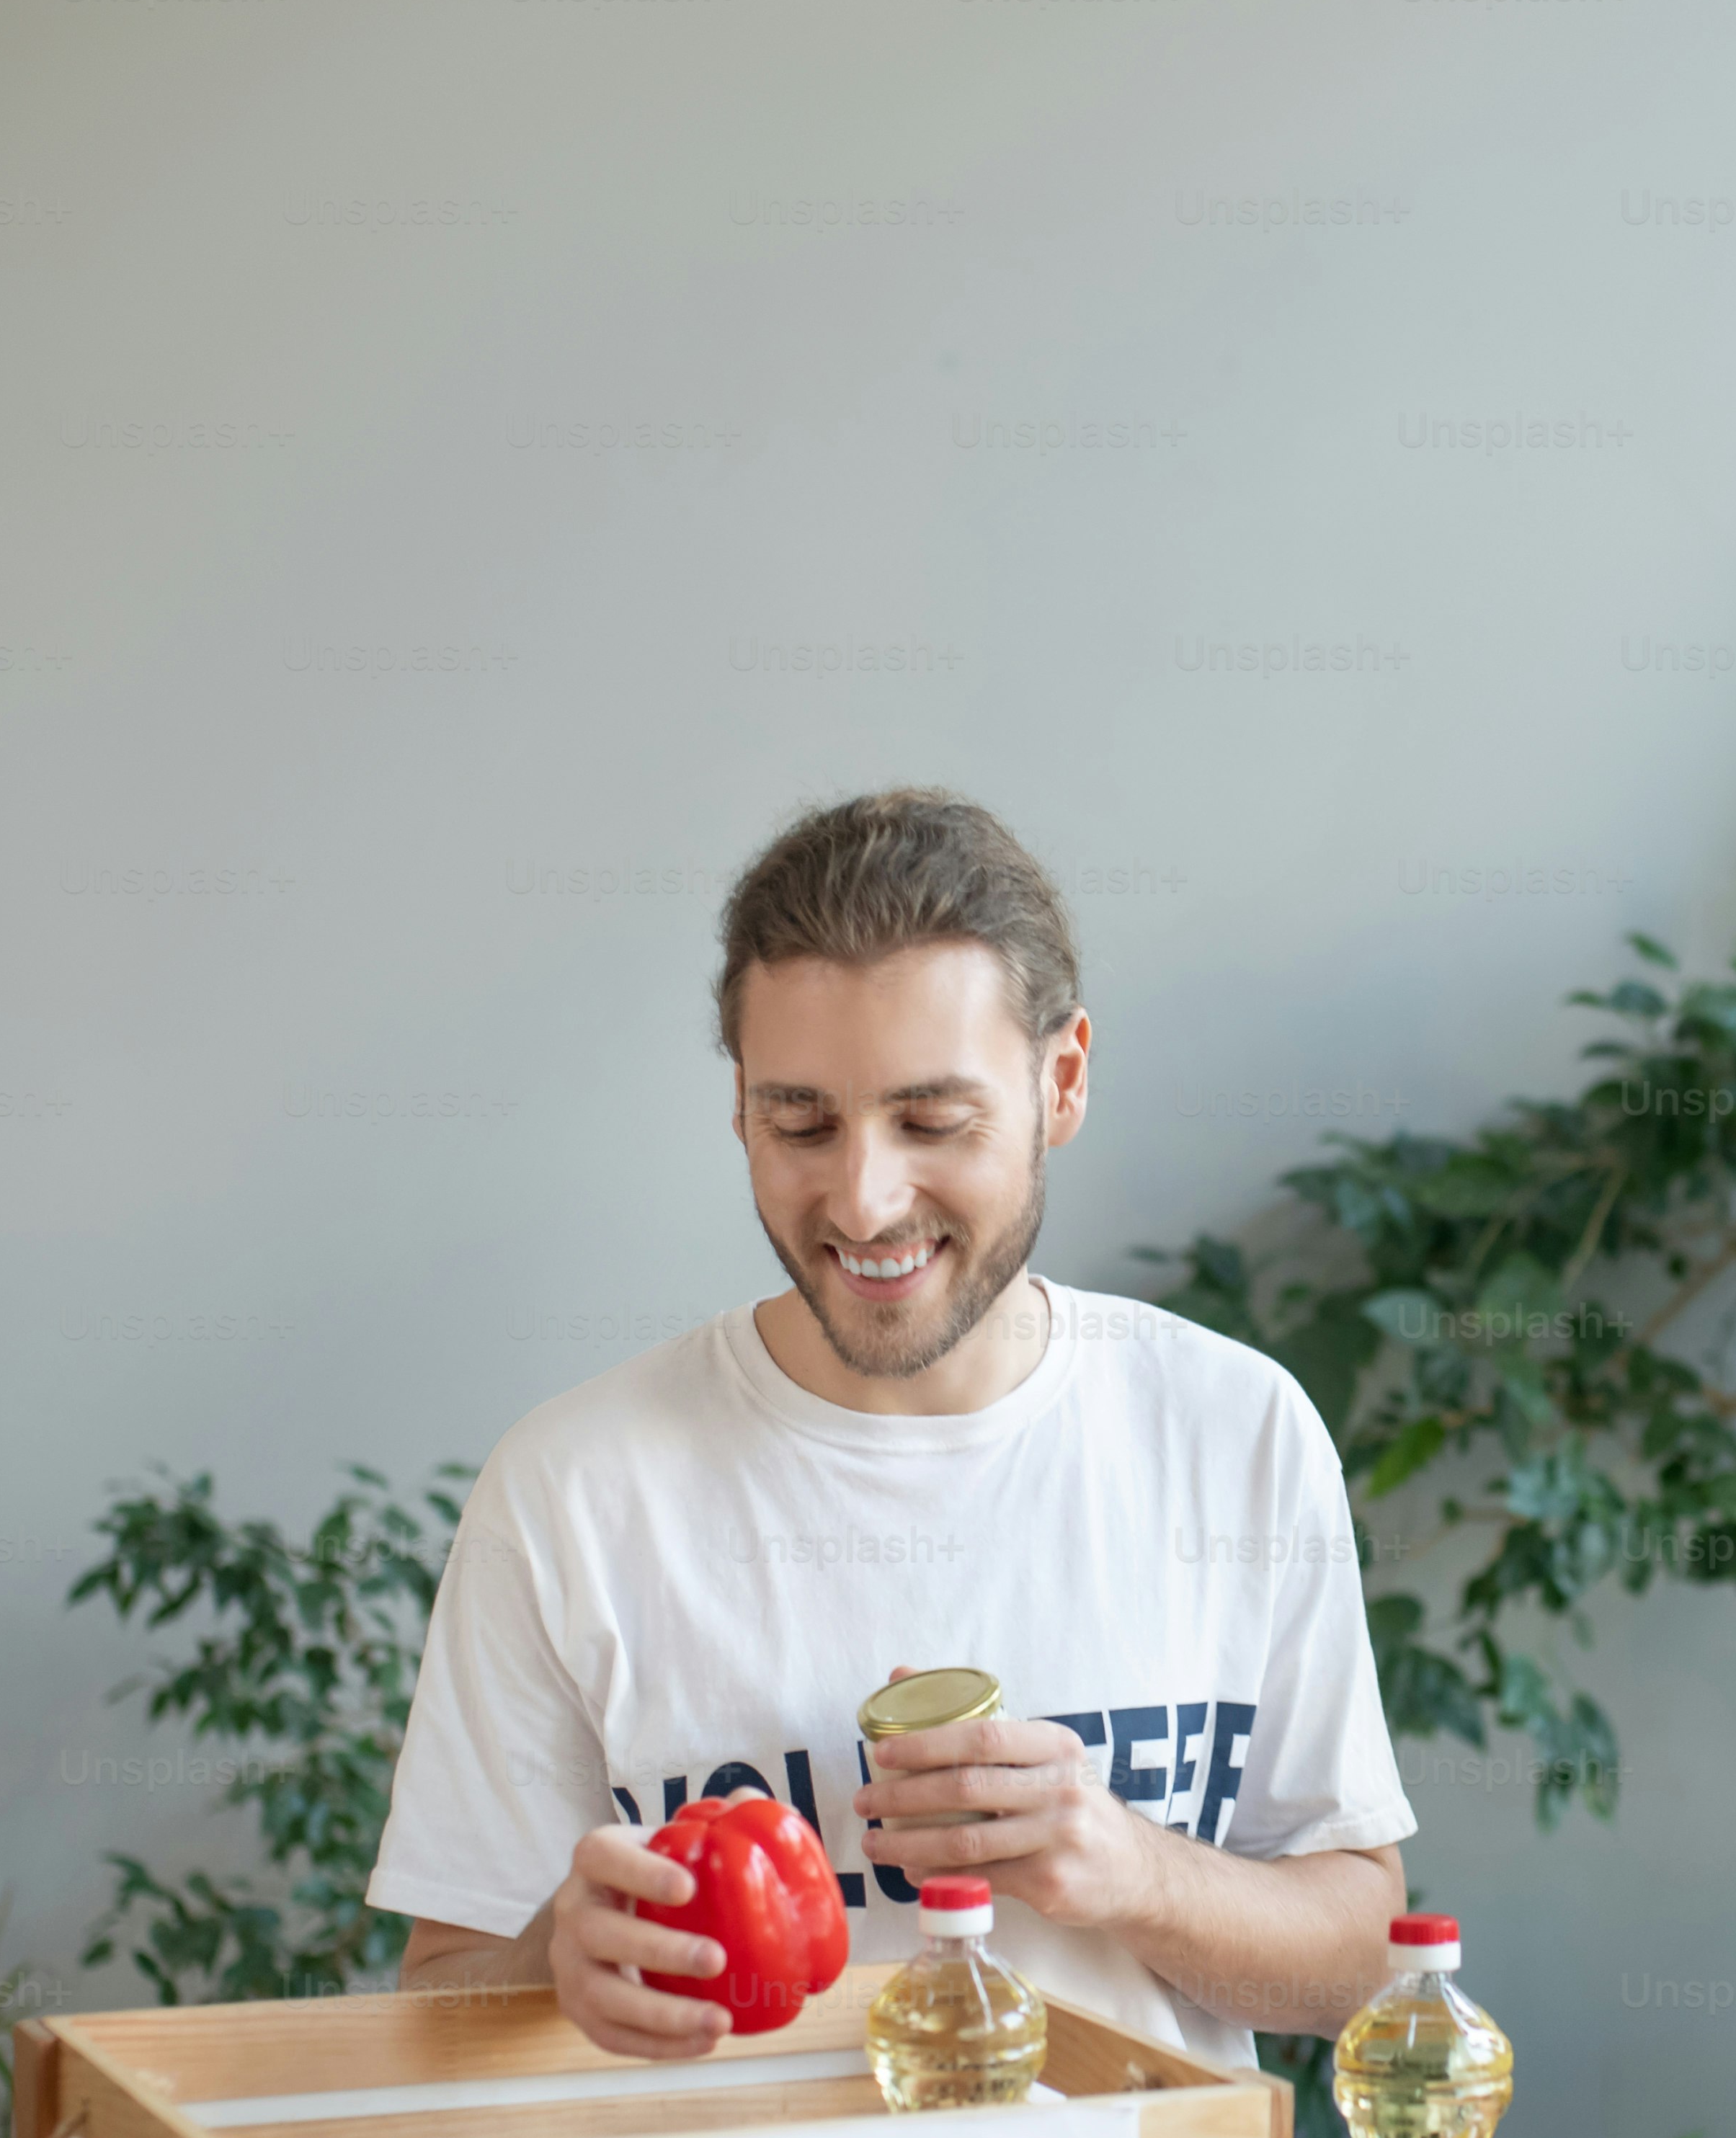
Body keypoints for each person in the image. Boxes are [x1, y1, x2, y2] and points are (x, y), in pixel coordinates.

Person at [371, 788, 1415, 2067]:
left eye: (932, 1121)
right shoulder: (572, 1488)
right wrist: (550, 1960)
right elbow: (433, 2012)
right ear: (742, 1101)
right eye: (800, 1122)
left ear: (1063, 1082)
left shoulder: (1235, 1433)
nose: (863, 1202)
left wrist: (1136, 1870)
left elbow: (1367, 1962)